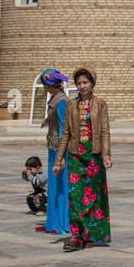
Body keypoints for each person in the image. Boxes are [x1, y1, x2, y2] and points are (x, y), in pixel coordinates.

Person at [52, 67, 112, 250]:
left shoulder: (100, 104)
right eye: (79, 83)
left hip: (93, 157)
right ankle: (76, 235)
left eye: (85, 82)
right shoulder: (71, 105)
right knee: (76, 196)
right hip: (75, 157)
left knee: (92, 198)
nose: (82, 86)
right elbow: (66, 134)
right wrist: (58, 160)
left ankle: (90, 234)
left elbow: (104, 131)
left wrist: (106, 155)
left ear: (92, 83)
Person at [39, 69, 69, 235]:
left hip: (59, 150)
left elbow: (65, 127)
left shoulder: (62, 101)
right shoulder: (55, 98)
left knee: (61, 186)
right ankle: (52, 221)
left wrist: (61, 156)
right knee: (53, 186)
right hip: (53, 148)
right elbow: (56, 117)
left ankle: (61, 222)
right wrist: (48, 120)